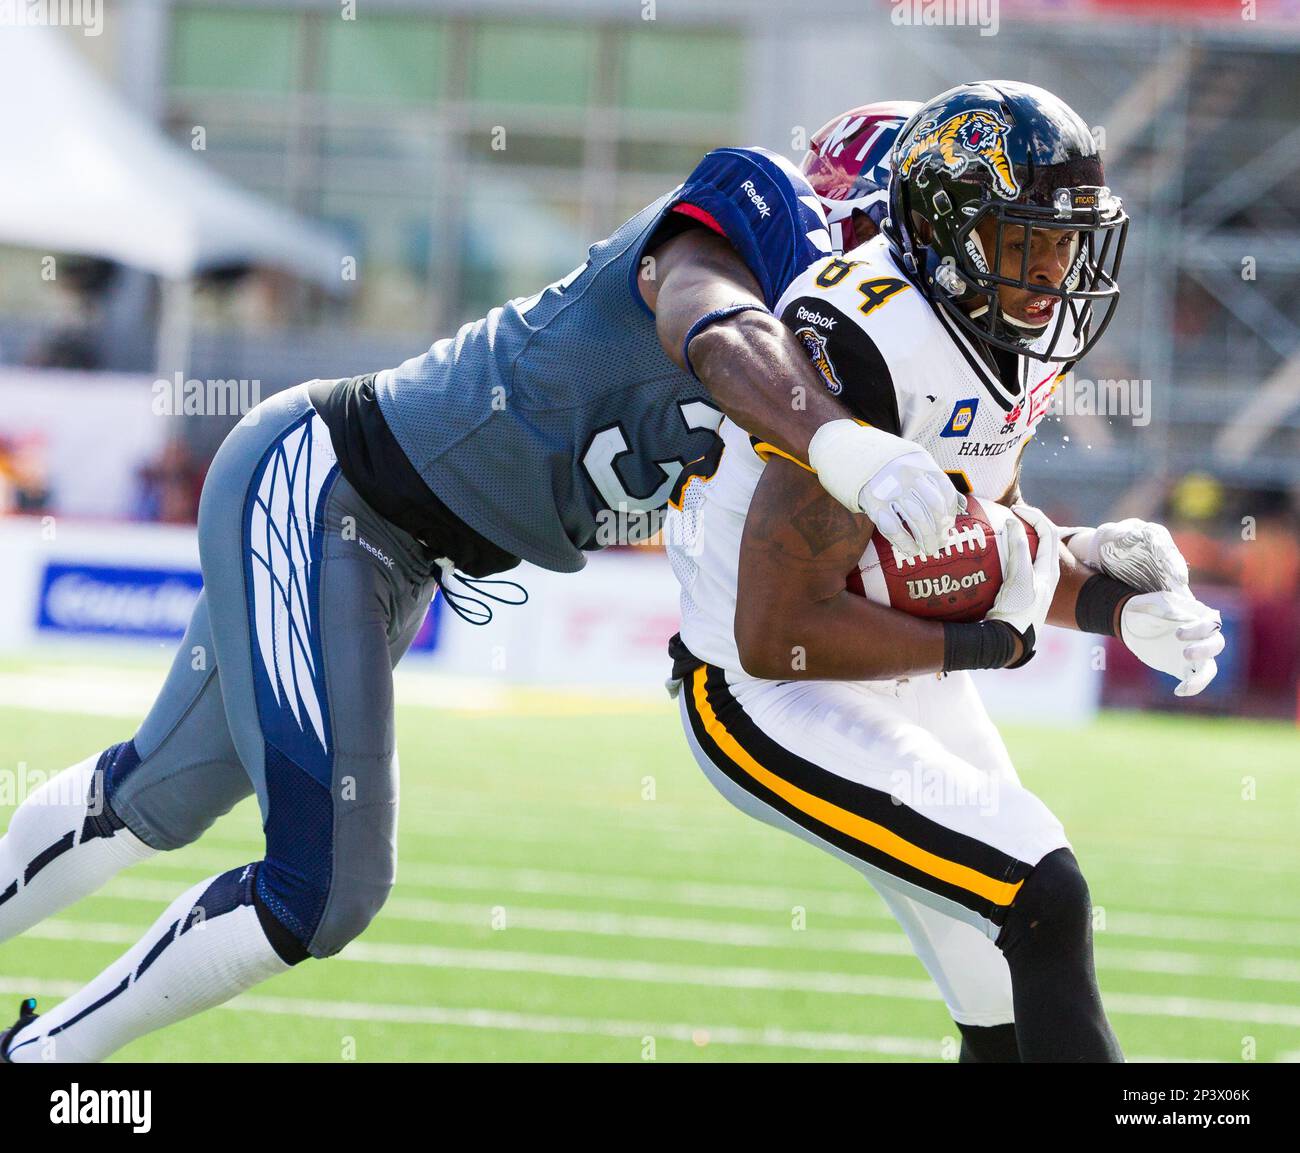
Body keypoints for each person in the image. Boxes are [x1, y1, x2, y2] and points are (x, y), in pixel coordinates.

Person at [0, 134, 968, 1060]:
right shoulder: (758, 209)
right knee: (323, 887)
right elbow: (707, 316)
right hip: (329, 489)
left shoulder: (872, 361)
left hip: (399, 546)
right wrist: (840, 440)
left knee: (158, 791)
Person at [664, 82, 1225, 1062]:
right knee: (1041, 894)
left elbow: (985, 538)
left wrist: (1103, 591)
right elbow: (777, 632)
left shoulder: (1002, 330)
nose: (1055, 270)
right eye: (1029, 240)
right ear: (951, 230)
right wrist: (989, 641)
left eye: (1067, 240)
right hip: (763, 694)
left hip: (899, 671)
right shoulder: (867, 333)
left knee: (1006, 1006)